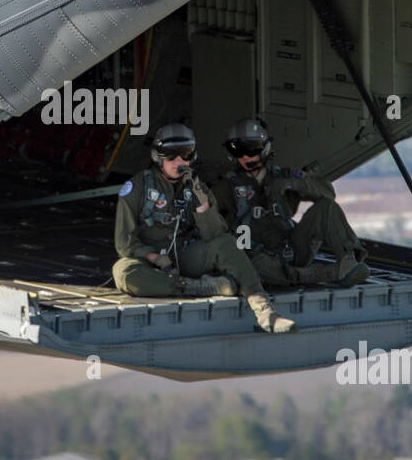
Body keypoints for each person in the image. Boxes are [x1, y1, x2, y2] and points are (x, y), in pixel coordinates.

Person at [112, 123, 295, 333]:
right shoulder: (137, 188)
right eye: (171, 155)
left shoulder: (197, 188)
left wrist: (200, 200)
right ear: (157, 157)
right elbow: (124, 243)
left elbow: (216, 234)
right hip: (150, 261)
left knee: (227, 243)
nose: (179, 161)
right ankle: (196, 287)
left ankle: (264, 312)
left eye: (186, 154)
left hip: (185, 254)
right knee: (123, 273)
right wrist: (154, 257)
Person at [212, 118, 371, 289]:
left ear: (265, 148)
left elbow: (327, 192)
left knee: (327, 208)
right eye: (238, 151)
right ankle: (329, 273)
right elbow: (211, 226)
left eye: (252, 150)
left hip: (292, 248)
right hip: (257, 258)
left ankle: (349, 262)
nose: (245, 157)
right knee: (251, 267)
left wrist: (291, 184)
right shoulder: (225, 187)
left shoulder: (284, 175)